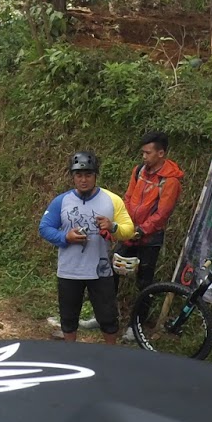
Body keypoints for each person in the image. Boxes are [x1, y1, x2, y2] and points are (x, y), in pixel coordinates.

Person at [38, 151, 136, 344]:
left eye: (88, 175)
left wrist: (112, 226)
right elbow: (45, 228)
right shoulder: (61, 201)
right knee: (68, 318)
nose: (83, 180)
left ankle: (110, 354)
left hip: (100, 271)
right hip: (69, 270)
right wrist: (65, 237)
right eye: (79, 175)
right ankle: (70, 353)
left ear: (95, 175)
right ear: (72, 176)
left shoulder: (112, 200)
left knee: (108, 318)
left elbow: (129, 230)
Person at [122, 131, 184, 296]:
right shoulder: (139, 171)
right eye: (142, 152)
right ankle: (108, 309)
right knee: (112, 267)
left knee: (144, 282)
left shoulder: (170, 181)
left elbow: (162, 214)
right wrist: (126, 222)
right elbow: (128, 197)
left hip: (149, 238)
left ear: (161, 153)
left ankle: (141, 312)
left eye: (148, 153)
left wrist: (142, 230)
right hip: (129, 231)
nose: (144, 156)